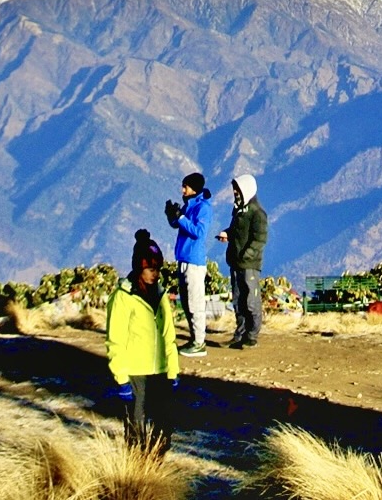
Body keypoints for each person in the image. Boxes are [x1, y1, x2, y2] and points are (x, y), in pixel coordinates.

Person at [106, 229, 182, 450]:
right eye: (150, 269)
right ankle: (138, 475)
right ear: (139, 267)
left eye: (157, 269)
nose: (155, 274)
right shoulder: (122, 297)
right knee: (136, 432)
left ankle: (156, 470)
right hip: (135, 373)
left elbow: (169, 335)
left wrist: (173, 370)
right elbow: (115, 341)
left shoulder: (160, 296)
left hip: (160, 372)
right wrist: (121, 378)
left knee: (163, 432)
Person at [213, 174, 268, 348]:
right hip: (235, 263)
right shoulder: (239, 211)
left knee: (251, 301)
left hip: (249, 265)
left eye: (237, 189)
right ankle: (240, 334)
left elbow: (259, 239)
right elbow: (236, 231)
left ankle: (252, 336)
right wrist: (227, 234)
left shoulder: (257, 213)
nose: (235, 192)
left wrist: (246, 255)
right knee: (238, 300)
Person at [164, 172, 215, 357]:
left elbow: (199, 232)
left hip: (194, 262)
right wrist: (172, 216)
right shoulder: (189, 205)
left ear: (193, 188)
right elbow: (179, 225)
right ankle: (194, 339)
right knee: (186, 303)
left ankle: (200, 343)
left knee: (195, 303)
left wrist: (181, 218)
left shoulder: (203, 208)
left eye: (185, 186)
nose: (182, 189)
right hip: (183, 260)